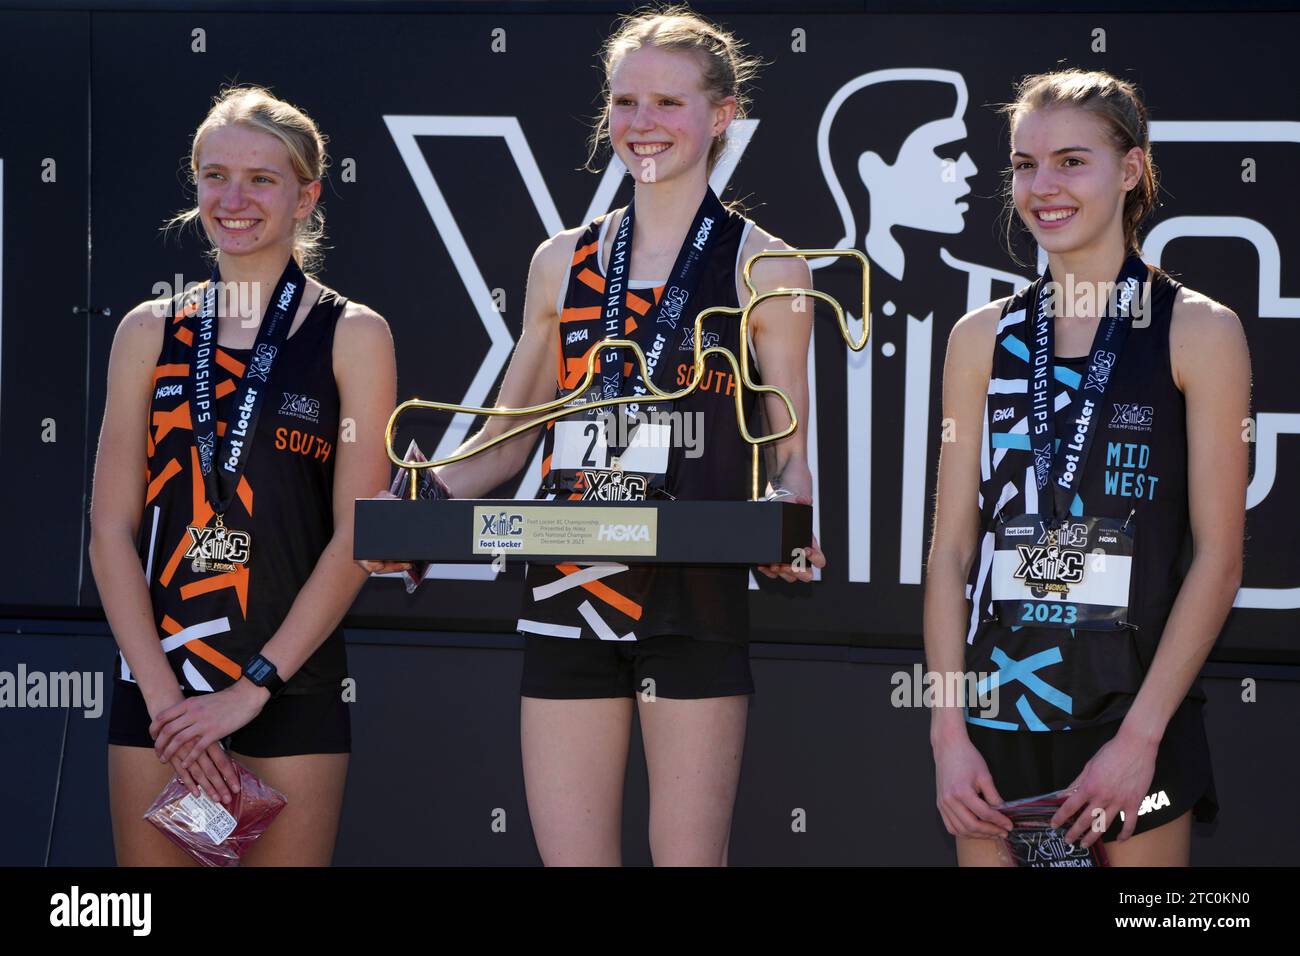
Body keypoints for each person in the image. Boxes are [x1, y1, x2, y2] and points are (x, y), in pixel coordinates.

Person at [362, 5, 824, 866]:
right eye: (624, 102)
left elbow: (790, 445)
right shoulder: (559, 261)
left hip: (693, 597)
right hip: (567, 592)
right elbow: (505, 442)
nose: (641, 124)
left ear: (722, 115)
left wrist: (792, 519)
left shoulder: (769, 265)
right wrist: (417, 513)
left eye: (668, 103)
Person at [925, 68, 1250, 866]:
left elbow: (1220, 557)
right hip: (997, 726)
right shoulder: (980, 337)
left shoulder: (1198, 330)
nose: (1044, 186)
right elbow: (951, 555)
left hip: (1135, 723)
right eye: (1025, 164)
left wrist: (1140, 742)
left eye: (1072, 161)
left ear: (1130, 169)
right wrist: (947, 736)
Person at [90, 86, 396, 866]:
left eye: (262, 179)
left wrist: (249, 690)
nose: (235, 198)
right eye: (215, 175)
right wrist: (171, 707)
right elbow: (108, 531)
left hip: (285, 692)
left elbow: (360, 533)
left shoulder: (353, 334)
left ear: (306, 195)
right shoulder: (146, 331)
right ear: (193, 186)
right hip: (162, 700)